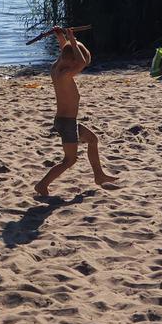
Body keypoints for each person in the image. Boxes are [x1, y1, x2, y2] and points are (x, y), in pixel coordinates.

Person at [34, 27, 118, 197]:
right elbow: (81, 62)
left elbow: (67, 53)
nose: (80, 68)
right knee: (69, 160)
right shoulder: (65, 74)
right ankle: (42, 185)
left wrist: (61, 36)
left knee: (92, 140)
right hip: (67, 123)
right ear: (72, 62)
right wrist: (72, 38)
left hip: (65, 121)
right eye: (77, 63)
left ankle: (99, 176)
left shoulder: (57, 68)